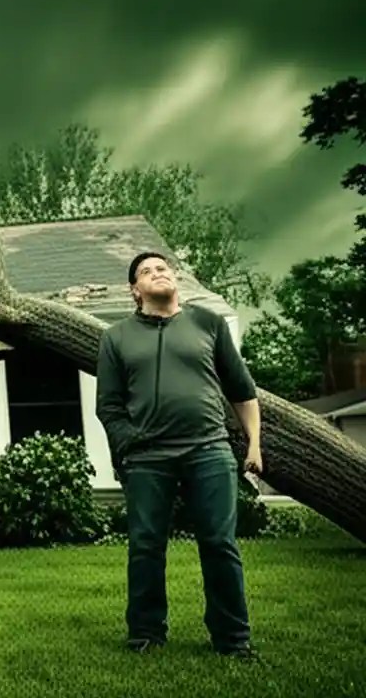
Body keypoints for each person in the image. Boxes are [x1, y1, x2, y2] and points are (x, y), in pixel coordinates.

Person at [95, 251, 263, 659]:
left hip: (209, 449)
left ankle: (233, 638)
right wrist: (129, 446)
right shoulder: (116, 337)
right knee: (146, 545)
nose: (158, 273)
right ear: (135, 290)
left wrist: (254, 443)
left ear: (175, 281)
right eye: (146, 272)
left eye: (163, 268)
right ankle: (146, 632)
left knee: (220, 543)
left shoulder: (207, 324)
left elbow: (243, 391)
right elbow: (109, 405)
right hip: (148, 457)